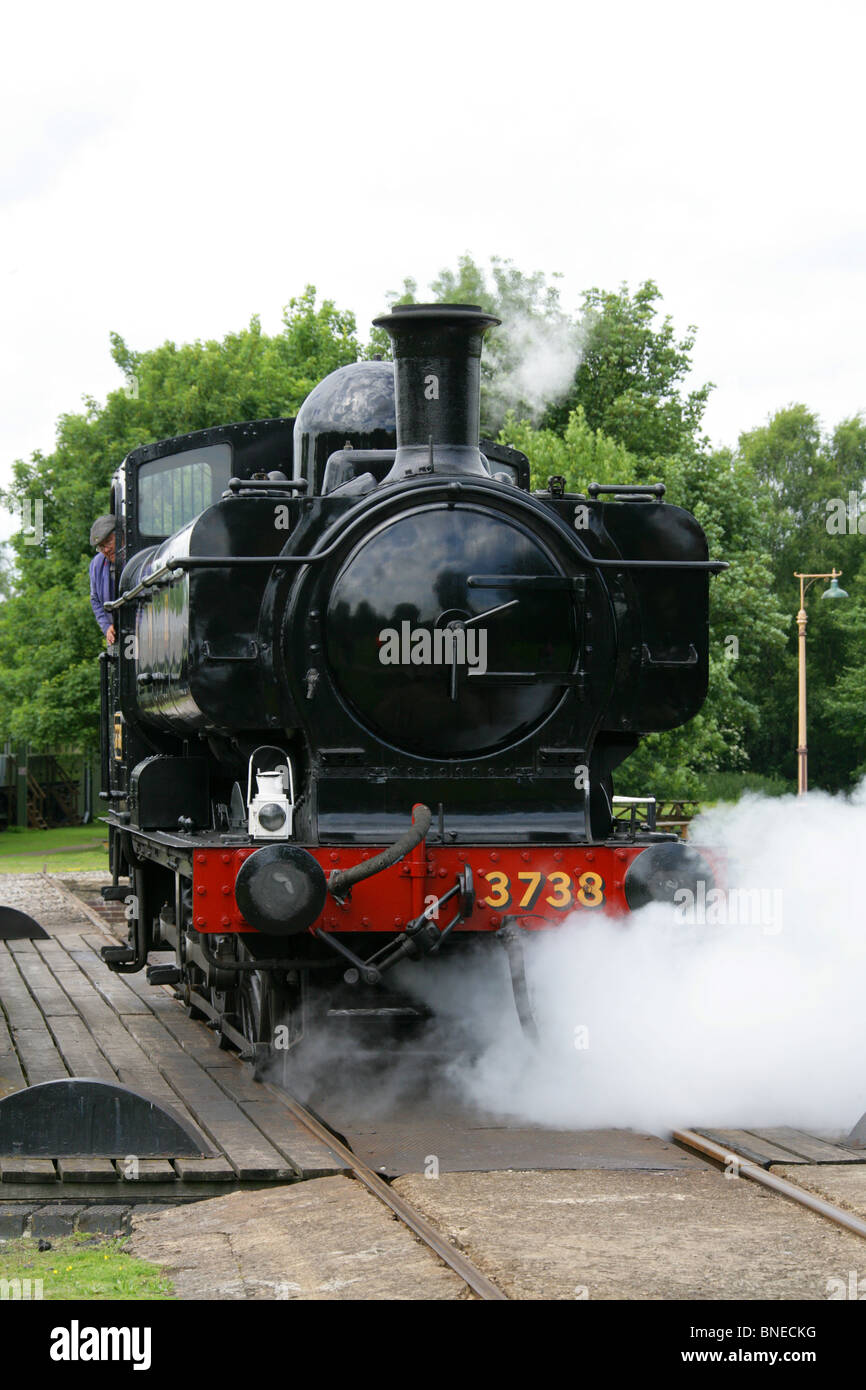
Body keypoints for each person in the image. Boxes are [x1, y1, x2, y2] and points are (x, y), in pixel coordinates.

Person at [89, 515, 116, 646]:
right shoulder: (96, 564)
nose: (106, 550)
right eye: (101, 547)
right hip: (115, 633)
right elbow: (95, 599)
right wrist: (106, 627)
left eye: (109, 542)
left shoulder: (138, 558)